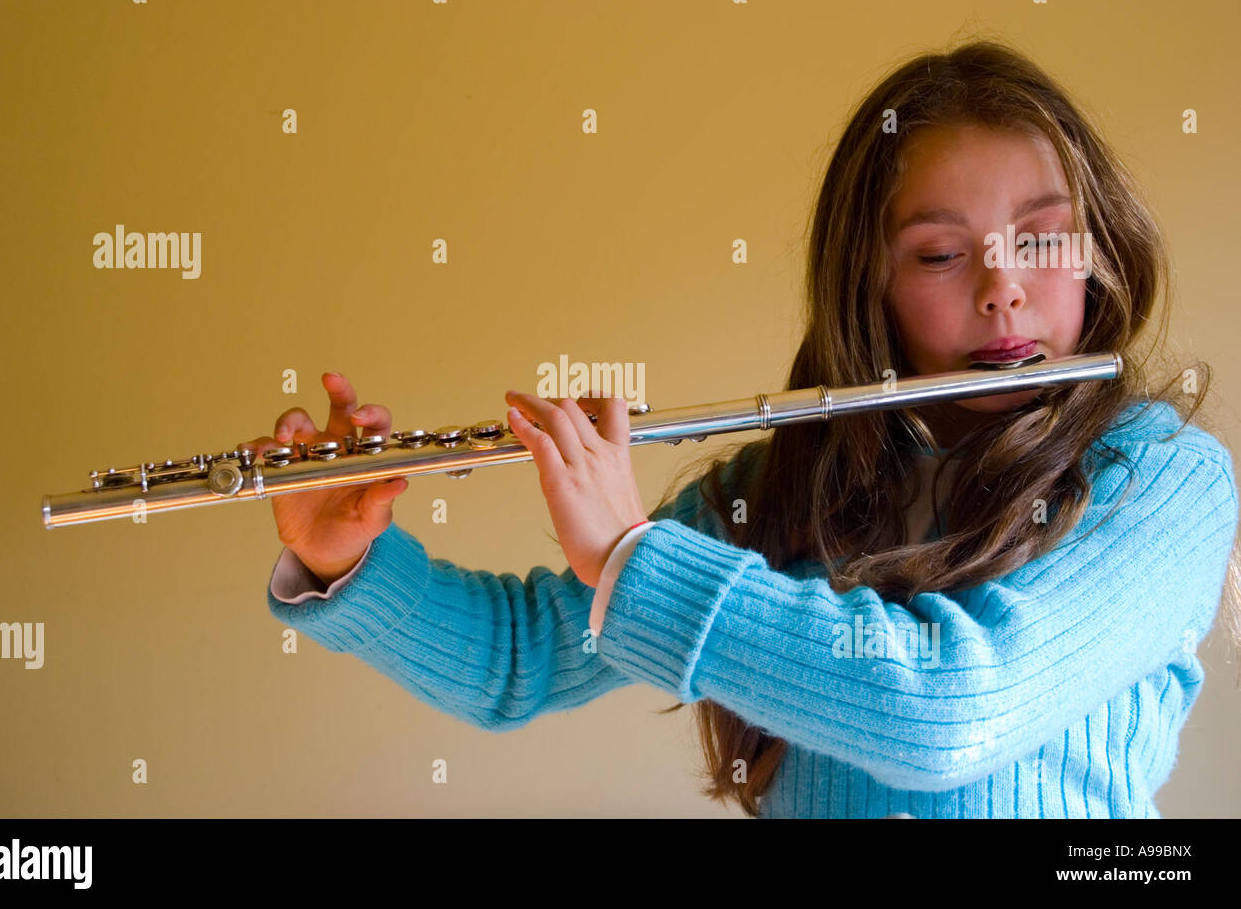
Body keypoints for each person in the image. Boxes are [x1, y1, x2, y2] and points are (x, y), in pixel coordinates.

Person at [240, 40, 1239, 818]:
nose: (1002, 289)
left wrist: (633, 560)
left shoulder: (1163, 481)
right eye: (939, 255)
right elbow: (518, 660)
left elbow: (946, 710)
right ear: (871, 288)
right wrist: (352, 564)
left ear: (1099, 247)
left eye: (1041, 238)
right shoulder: (790, 483)